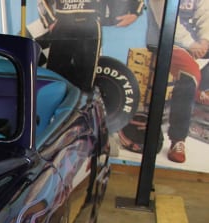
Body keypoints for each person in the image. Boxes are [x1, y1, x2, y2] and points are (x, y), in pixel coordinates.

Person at [148, 0, 209, 163]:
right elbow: (166, 20)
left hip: (193, 43)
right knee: (190, 75)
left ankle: (200, 90)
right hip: (166, 41)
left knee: (194, 76)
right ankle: (178, 139)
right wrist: (192, 44)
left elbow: (204, 13)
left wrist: (204, 41)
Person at [39, 0, 143, 92]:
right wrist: (49, 20)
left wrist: (135, 11)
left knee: (86, 75)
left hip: (90, 24)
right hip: (63, 23)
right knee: (56, 73)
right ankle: (53, 107)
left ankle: (81, 108)